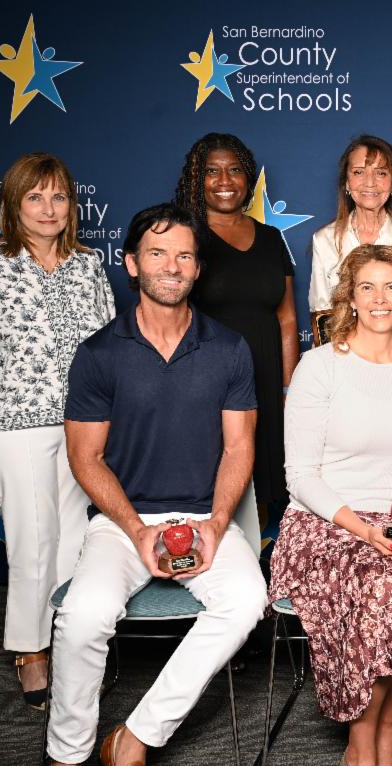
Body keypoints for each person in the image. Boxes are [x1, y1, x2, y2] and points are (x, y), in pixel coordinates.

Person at [48, 204, 266, 766]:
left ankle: (135, 737)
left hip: (202, 518)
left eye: (185, 255)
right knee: (83, 615)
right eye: (157, 253)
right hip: (123, 524)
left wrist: (217, 526)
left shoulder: (229, 348)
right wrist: (137, 529)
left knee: (246, 602)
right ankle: (68, 753)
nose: (172, 266)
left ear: (198, 270)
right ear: (131, 264)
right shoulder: (97, 353)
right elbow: (86, 458)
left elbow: (239, 447)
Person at [269, 245, 392, 766]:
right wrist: (361, 529)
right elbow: (301, 476)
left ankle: (385, 721)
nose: (380, 299)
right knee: (378, 587)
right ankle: (362, 736)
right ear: (350, 299)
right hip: (326, 520)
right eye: (367, 288)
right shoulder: (319, 367)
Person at [0, 152, 115, 709]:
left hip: (82, 425)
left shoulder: (88, 265)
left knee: (73, 538)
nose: (49, 208)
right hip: (10, 426)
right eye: (35, 197)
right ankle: (30, 650)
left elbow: (108, 345)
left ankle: (66, 641)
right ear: (14, 206)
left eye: (59, 196)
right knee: (33, 540)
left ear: (72, 204)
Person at [174, 132, 297, 527]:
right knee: (214, 473)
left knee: (263, 476)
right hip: (206, 377)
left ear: (249, 178)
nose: (224, 181)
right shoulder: (185, 238)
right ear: (196, 179)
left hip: (263, 373)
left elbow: (287, 319)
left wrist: (288, 388)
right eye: (212, 171)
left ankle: (253, 568)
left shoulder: (271, 238)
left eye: (235, 170)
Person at [308, 135, 392, 319]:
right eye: (359, 172)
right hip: (343, 346)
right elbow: (322, 315)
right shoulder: (324, 240)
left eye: (380, 173)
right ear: (346, 182)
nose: (370, 182)